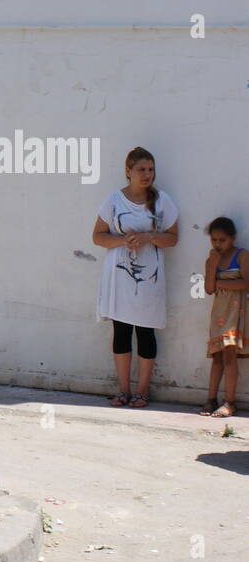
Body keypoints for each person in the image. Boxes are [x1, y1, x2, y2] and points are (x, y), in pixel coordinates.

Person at [92, 146, 179, 408]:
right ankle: (123, 390)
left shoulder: (162, 200)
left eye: (150, 169)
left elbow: (173, 238)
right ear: (128, 172)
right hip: (119, 277)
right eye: (141, 169)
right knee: (121, 331)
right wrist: (122, 240)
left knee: (145, 330)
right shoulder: (113, 201)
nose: (147, 174)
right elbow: (97, 236)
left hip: (148, 279)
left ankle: (142, 390)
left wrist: (149, 237)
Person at [200, 217, 247, 417]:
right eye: (214, 240)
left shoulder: (242, 256)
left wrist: (222, 284)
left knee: (230, 356)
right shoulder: (212, 260)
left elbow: (245, 284)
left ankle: (230, 401)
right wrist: (213, 266)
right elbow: (209, 289)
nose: (218, 244)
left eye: (222, 240)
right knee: (217, 356)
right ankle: (211, 399)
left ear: (232, 239)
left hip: (236, 314)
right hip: (218, 315)